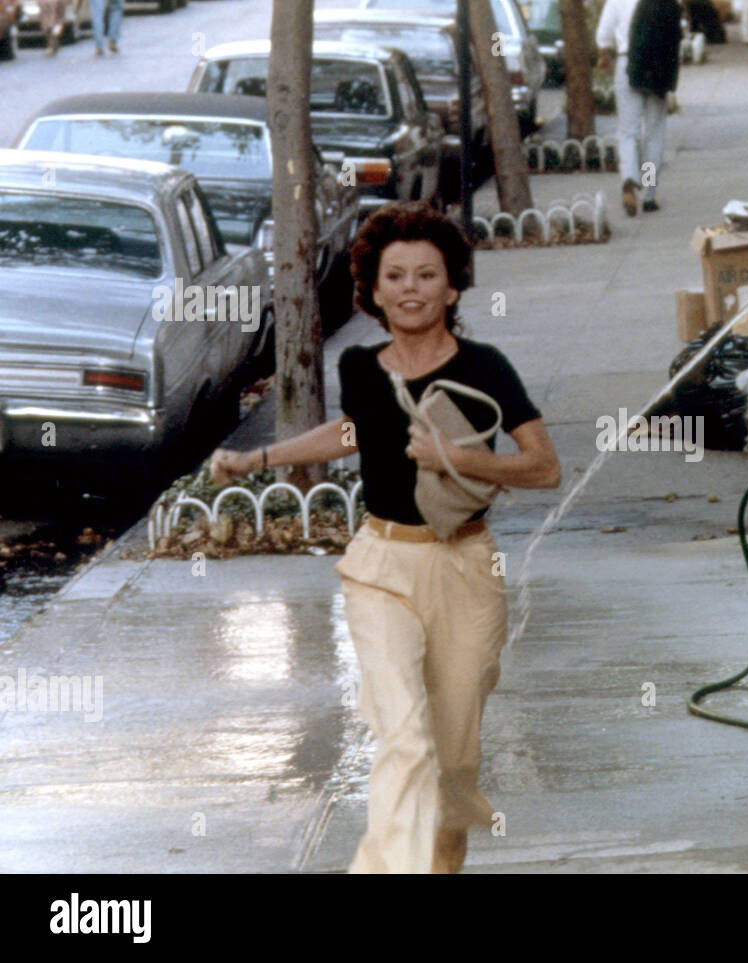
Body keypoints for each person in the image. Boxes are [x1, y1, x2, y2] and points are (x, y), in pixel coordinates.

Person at [210, 202, 562, 874]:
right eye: (394, 275)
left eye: (426, 275)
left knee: (454, 763)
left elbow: (544, 466)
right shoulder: (363, 367)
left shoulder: (486, 367)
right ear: (372, 290)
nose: (409, 288)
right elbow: (355, 431)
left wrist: (457, 461)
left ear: (452, 287)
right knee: (403, 737)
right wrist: (261, 459)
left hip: (464, 566)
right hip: (381, 565)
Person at [597, 0, 680, 216]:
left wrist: (604, 56)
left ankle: (629, 180)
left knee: (628, 131)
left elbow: (604, 33)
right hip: (658, 68)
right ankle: (649, 194)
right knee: (654, 133)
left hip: (628, 64)